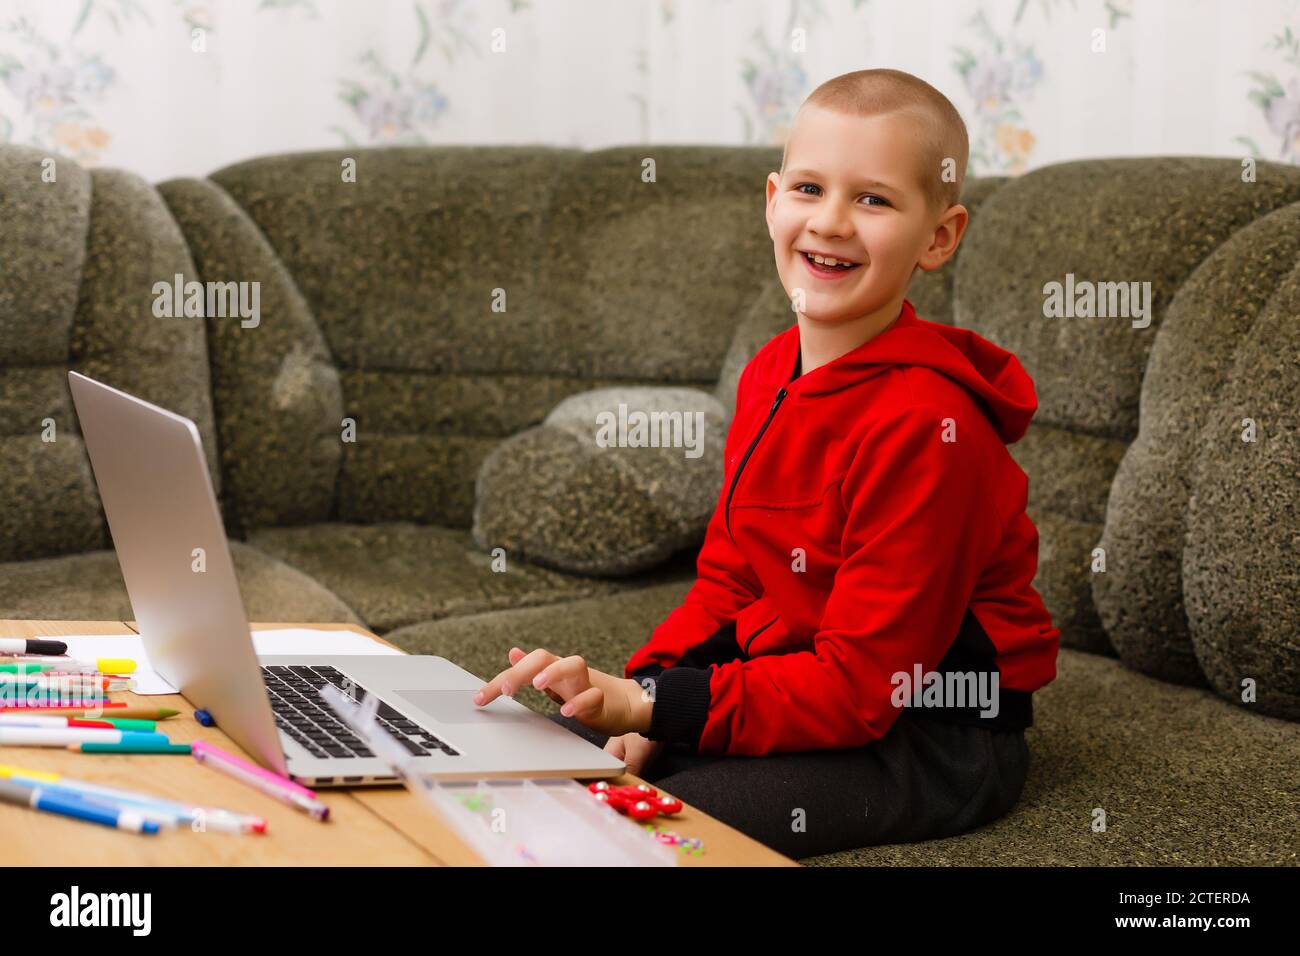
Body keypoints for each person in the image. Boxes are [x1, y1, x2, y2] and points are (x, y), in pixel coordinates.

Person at [474, 68, 1060, 860]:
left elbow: (864, 690)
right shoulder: (770, 371)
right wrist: (638, 696)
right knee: (562, 761)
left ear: (939, 237)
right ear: (772, 200)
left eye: (874, 199)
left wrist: (651, 706)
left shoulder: (929, 426)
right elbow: (733, 582)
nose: (832, 222)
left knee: (638, 829)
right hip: (808, 676)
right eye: (811, 188)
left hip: (935, 734)